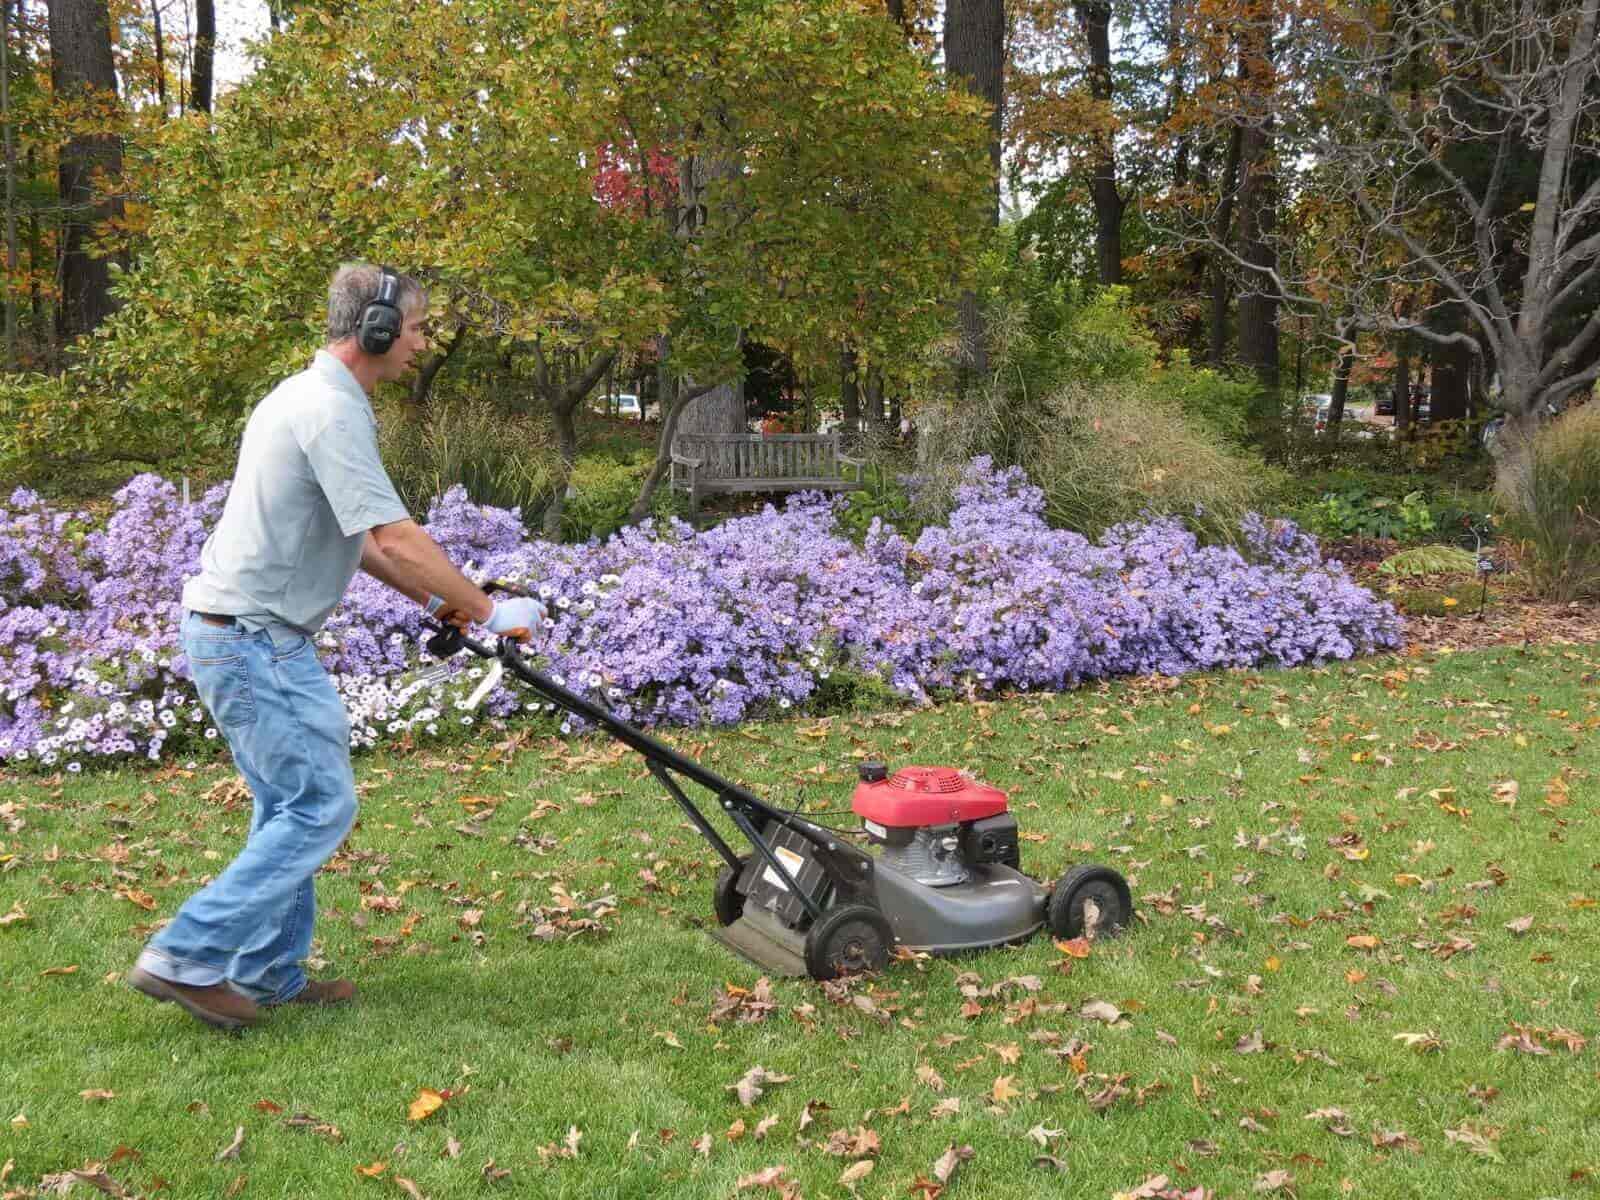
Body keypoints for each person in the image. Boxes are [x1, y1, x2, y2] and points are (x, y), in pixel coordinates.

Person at [127, 263, 546, 1031]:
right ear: (376, 330)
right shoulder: (330, 410)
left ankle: (270, 972)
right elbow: (396, 534)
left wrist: (438, 604)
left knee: (289, 804)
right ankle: (186, 955)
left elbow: (361, 543)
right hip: (254, 640)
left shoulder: (307, 397)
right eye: (416, 328)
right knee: (319, 805)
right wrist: (486, 609)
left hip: (243, 636)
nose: (421, 344)